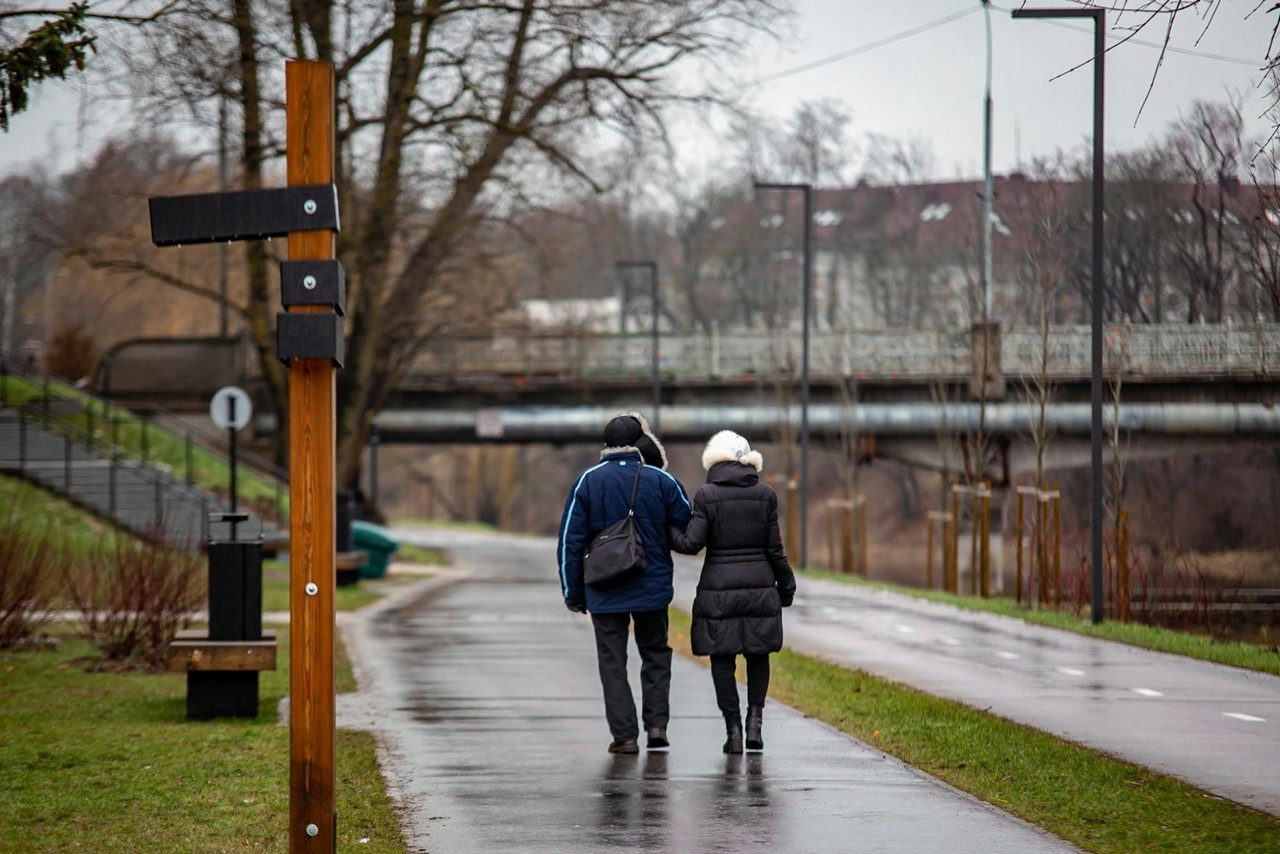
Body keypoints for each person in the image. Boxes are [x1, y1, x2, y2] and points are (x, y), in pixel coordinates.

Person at [557, 411, 692, 754]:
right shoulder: (662, 481)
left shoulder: (587, 481)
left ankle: (625, 736)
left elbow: (569, 543)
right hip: (652, 588)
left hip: (603, 588)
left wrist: (574, 593)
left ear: (606, 445)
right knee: (656, 656)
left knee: (612, 661)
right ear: (637, 445)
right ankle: (657, 726)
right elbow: (688, 525)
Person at [669, 430, 796, 754]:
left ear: (716, 461)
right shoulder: (766, 495)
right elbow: (775, 549)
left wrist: (665, 527)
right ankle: (755, 722)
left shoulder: (706, 495)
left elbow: (690, 543)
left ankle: (734, 731)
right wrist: (787, 585)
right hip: (759, 586)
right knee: (758, 654)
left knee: (722, 659)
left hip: (718, 589)